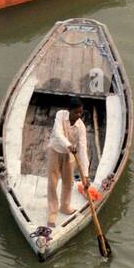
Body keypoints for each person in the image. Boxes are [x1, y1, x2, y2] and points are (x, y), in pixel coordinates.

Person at [45, 96, 88, 227]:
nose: (79, 115)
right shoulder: (60, 115)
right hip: (55, 151)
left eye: (81, 112)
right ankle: (53, 212)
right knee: (52, 181)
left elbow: (83, 149)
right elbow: (58, 134)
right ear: (69, 110)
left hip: (70, 155)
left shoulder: (81, 127)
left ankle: (65, 206)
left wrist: (85, 176)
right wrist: (69, 145)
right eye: (76, 112)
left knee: (68, 182)